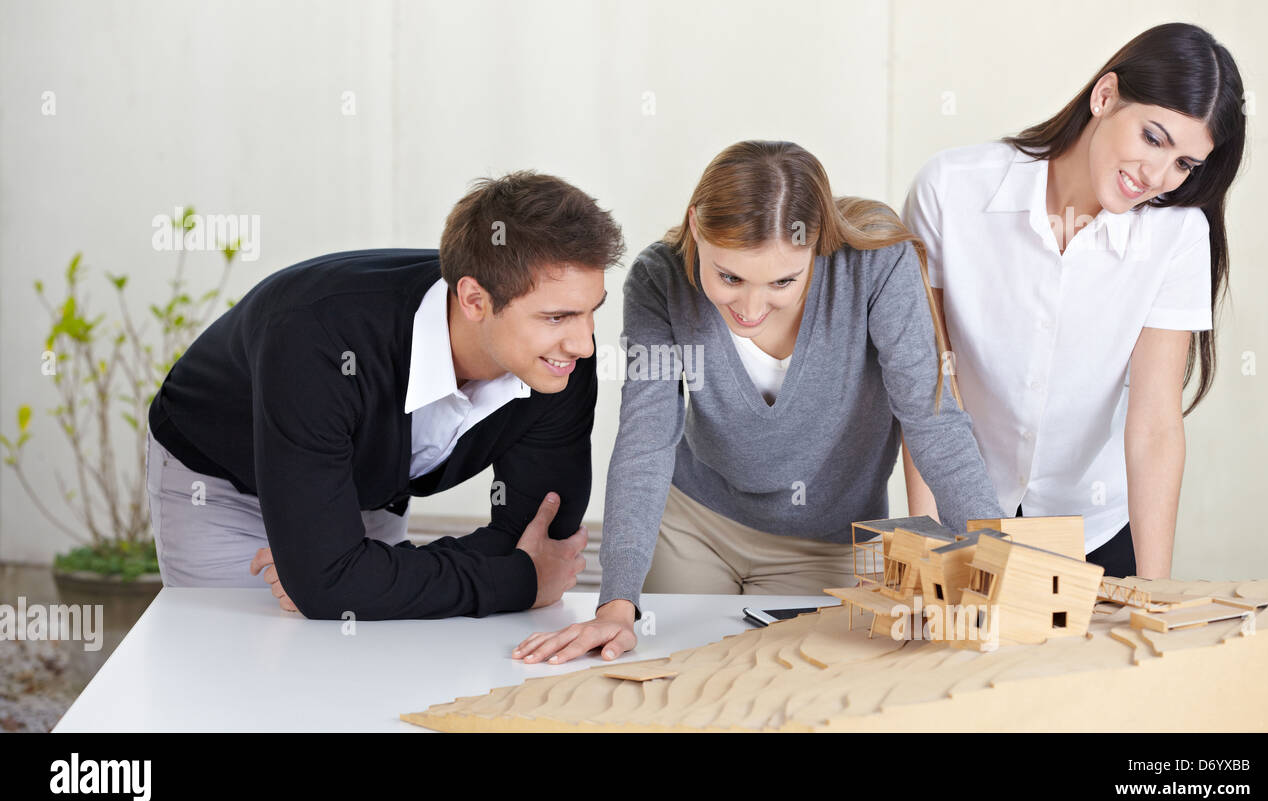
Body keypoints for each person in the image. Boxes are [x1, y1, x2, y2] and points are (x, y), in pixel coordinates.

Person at [513, 140, 1003, 665]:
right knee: (680, 676)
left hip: (825, 541)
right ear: (697, 227)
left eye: (782, 282)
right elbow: (645, 438)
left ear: (816, 245)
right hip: (694, 528)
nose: (749, 308)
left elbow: (932, 419)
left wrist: (997, 558)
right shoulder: (659, 279)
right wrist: (616, 605)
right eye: (729, 277)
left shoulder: (878, 268)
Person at [144, 171, 625, 619]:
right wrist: (331, 574)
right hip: (223, 487)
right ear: (475, 300)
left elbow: (540, 539)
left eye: (590, 312)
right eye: (557, 317)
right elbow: (330, 585)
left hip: (369, 492)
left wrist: (343, 571)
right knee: (235, 678)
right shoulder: (317, 336)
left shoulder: (556, 359)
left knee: (369, 659)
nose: (584, 344)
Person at [900, 23, 1245, 579]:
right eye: (1153, 138)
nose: (1157, 176)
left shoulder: (1177, 235)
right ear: (1104, 97)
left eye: (1185, 164)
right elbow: (930, 387)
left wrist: (1154, 594)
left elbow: (1155, 422)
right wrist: (928, 545)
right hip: (962, 518)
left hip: (1094, 530)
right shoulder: (951, 189)